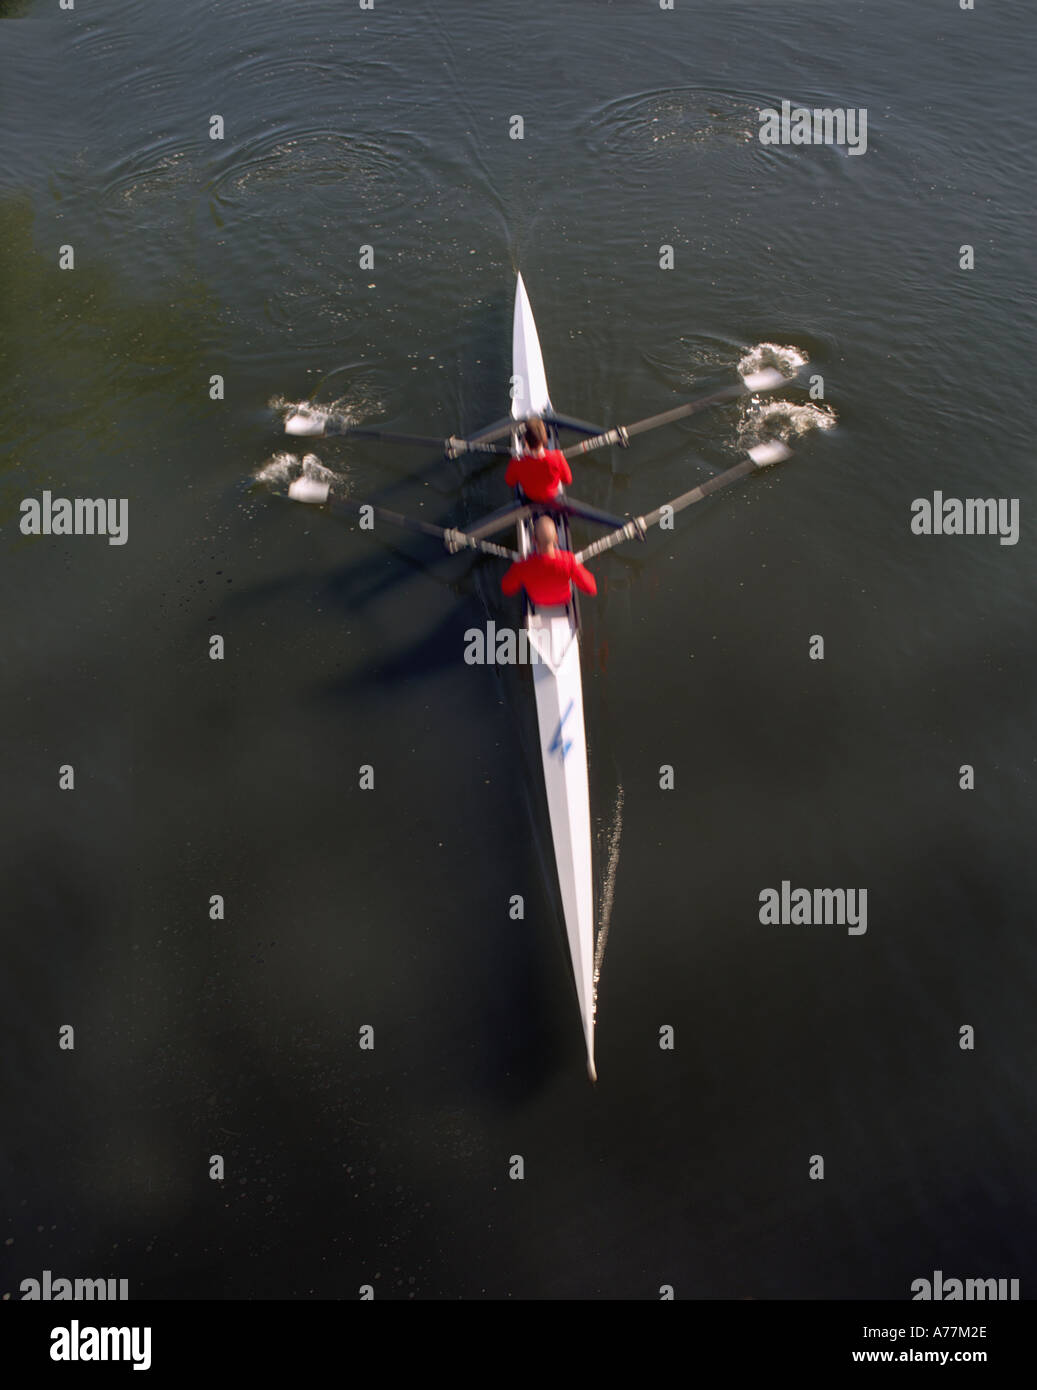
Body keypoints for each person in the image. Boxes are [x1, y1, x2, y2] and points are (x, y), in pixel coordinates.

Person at [501, 515, 597, 605]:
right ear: (556, 538)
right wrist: (575, 564)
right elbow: (592, 588)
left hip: (537, 601)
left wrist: (519, 565)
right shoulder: (569, 561)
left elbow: (506, 589)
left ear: (533, 540)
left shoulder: (522, 565)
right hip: (563, 600)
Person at [505, 418, 573, 504]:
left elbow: (510, 482)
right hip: (552, 498)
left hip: (530, 497)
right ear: (544, 438)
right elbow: (568, 480)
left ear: (525, 440)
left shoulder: (517, 462)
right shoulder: (557, 457)